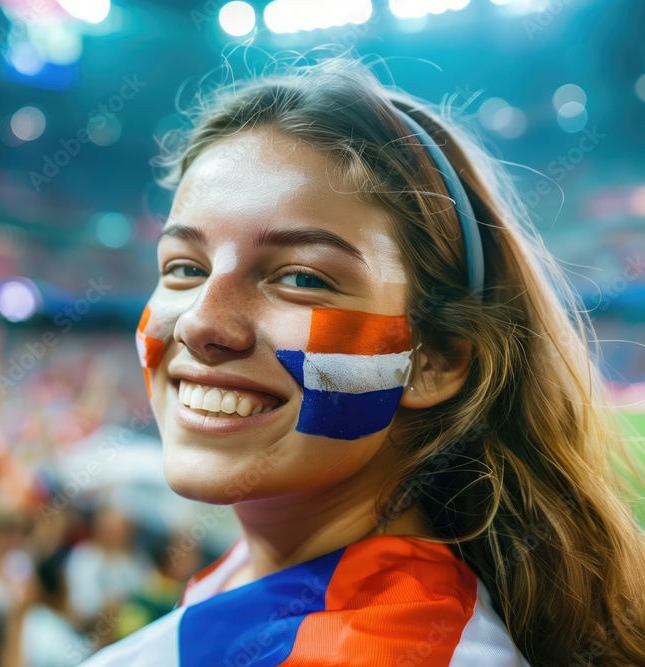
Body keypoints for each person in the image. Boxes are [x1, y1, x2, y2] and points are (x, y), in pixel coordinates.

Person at [81, 56, 645, 666]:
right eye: (185, 268)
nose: (200, 323)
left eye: (301, 277)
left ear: (434, 360)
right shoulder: (266, 574)